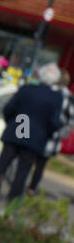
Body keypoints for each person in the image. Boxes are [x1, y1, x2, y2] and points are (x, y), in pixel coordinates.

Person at [0, 63, 67, 208]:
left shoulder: (27, 89)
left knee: (1, 165)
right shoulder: (56, 98)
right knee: (22, 173)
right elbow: (54, 122)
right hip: (35, 139)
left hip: (16, 132)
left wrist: (12, 123)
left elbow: (9, 108)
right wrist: (46, 133)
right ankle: (12, 202)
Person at [25, 68, 74, 196]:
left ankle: (20, 183)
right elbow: (71, 119)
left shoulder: (48, 91)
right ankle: (32, 187)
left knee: (28, 159)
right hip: (53, 136)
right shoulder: (69, 97)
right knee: (41, 164)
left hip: (37, 131)